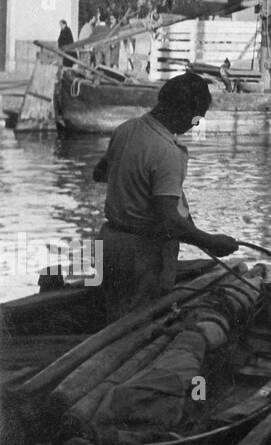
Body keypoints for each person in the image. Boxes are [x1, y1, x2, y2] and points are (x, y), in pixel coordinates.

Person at [91, 72, 239, 320]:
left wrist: (135, 184)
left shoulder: (125, 129)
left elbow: (100, 173)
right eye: (196, 117)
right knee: (137, 329)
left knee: (112, 317)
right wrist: (209, 241)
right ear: (182, 111)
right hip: (141, 254)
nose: (195, 124)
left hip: (109, 242)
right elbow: (169, 222)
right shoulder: (168, 153)